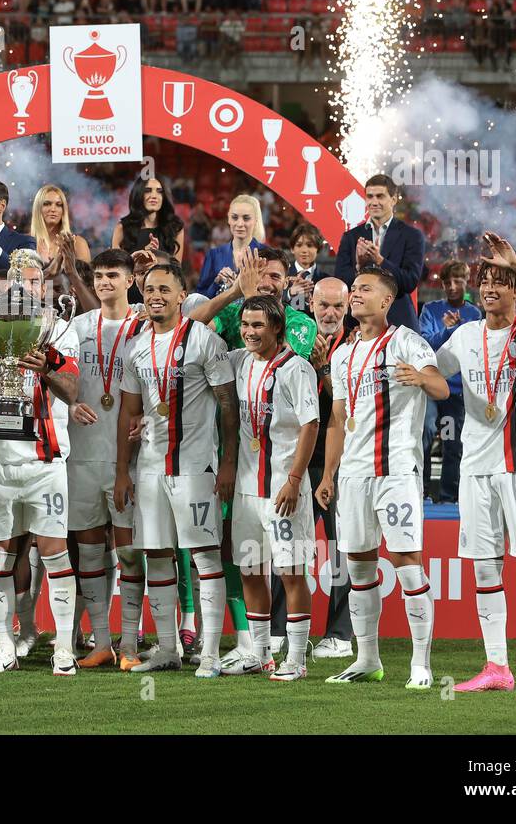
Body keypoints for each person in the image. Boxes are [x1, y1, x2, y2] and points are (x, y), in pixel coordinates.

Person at [435, 234, 516, 693]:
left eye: (499, 282)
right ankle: (498, 667)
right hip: (476, 469)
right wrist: (412, 371)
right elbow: (435, 369)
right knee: (484, 567)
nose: (488, 289)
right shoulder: (465, 336)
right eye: (484, 281)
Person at [316, 265, 448, 690]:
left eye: (364, 289)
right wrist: (329, 474)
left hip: (395, 472)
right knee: (358, 566)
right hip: (352, 475)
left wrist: (421, 378)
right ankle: (367, 659)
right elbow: (337, 421)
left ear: (386, 300)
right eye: (354, 288)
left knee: (407, 563)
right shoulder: (341, 354)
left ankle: (421, 664)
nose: (355, 295)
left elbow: (441, 388)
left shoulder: (407, 341)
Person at [114, 261, 238, 676]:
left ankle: (212, 653)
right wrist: (121, 471)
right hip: (149, 467)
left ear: (182, 295)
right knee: (156, 556)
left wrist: (227, 464)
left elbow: (228, 406)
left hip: (195, 467)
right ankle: (168, 648)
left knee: (204, 557)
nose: (156, 296)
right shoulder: (135, 346)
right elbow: (129, 413)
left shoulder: (205, 340)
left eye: (165, 289)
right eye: (150, 289)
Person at [0, 250, 83, 676]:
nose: (28, 288)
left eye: (36, 281)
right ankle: (4, 646)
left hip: (44, 458)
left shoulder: (59, 329)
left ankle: (64, 650)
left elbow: (72, 391)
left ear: (46, 284)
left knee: (55, 554)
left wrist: (47, 369)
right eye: (20, 280)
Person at [229, 294, 320, 681]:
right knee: (251, 570)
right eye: (246, 325)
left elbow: (310, 424)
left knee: (291, 572)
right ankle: (261, 654)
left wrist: (295, 480)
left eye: (258, 326)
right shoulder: (239, 362)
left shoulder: (297, 369)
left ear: (277, 328)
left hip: (284, 489)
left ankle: (296, 659)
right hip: (248, 489)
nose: (249, 332)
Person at [67, 249, 147, 669]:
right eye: (98, 276)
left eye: (113, 275)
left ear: (131, 279)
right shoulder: (78, 327)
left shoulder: (145, 326)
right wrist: (66, 405)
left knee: (131, 553)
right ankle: (101, 642)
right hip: (81, 455)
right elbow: (56, 375)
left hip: (128, 462)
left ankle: (130, 644)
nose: (104, 282)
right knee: (91, 553)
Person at [270, 276, 355, 659]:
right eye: (324, 305)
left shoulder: (355, 344)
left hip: (340, 460)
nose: (331, 313)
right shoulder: (294, 340)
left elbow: (347, 406)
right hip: (295, 457)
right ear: (311, 304)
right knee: (284, 545)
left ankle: (338, 634)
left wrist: (322, 370)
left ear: (348, 305)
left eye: (338, 306)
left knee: (341, 549)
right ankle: (276, 630)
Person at [419, 260, 481, 504]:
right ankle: (421, 492)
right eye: (447, 282)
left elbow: (469, 348)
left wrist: (453, 330)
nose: (452, 286)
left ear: (467, 283)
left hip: (456, 391)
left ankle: (448, 497)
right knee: (425, 433)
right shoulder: (431, 310)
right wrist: (447, 330)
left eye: (458, 281)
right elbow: (426, 344)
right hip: (431, 386)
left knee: (453, 443)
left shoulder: (474, 314)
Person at [333, 175, 426, 331]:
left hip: (398, 322)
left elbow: (409, 282)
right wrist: (359, 267)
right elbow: (341, 282)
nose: (374, 202)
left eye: (380, 196)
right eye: (370, 196)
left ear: (394, 199)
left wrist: (380, 260)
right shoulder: (351, 236)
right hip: (357, 325)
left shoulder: (412, 236)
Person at [191, 246, 317, 359]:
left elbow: (285, 362)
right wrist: (234, 291)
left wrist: (251, 298)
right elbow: (188, 328)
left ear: (285, 283)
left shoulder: (301, 322)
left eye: (275, 277)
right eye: (259, 275)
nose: (266, 284)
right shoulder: (233, 312)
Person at [195, 193, 265, 298]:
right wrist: (216, 283)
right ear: (228, 219)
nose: (240, 224)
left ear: (256, 221)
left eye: (246, 218)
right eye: (235, 217)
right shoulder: (213, 255)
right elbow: (201, 297)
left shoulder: (267, 254)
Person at [111, 178, 185, 263]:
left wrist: (158, 256)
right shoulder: (122, 228)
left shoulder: (175, 227)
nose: (154, 196)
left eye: (159, 191)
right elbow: (117, 269)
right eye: (147, 190)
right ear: (138, 194)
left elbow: (177, 270)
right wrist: (142, 257)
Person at [31, 184, 91, 276]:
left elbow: (87, 283)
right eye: (47, 204)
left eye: (59, 205)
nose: (53, 209)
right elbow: (15, 285)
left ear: (64, 210)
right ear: (38, 208)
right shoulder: (25, 242)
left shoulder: (78, 243)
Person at [286, 224, 329, 314]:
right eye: (299, 245)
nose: (304, 250)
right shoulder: (283, 276)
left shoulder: (326, 280)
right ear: (292, 249)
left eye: (309, 245)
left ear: (318, 249)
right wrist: (289, 293)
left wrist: (308, 301)